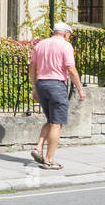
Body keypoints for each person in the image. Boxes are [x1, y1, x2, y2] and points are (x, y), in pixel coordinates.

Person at [30, 21, 86, 169]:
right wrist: (80, 89)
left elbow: (32, 66)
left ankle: (38, 148)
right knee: (56, 124)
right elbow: (71, 69)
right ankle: (49, 160)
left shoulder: (40, 44)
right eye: (69, 36)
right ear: (65, 34)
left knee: (50, 120)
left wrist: (34, 87)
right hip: (56, 85)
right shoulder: (65, 45)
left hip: (41, 84)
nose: (69, 38)